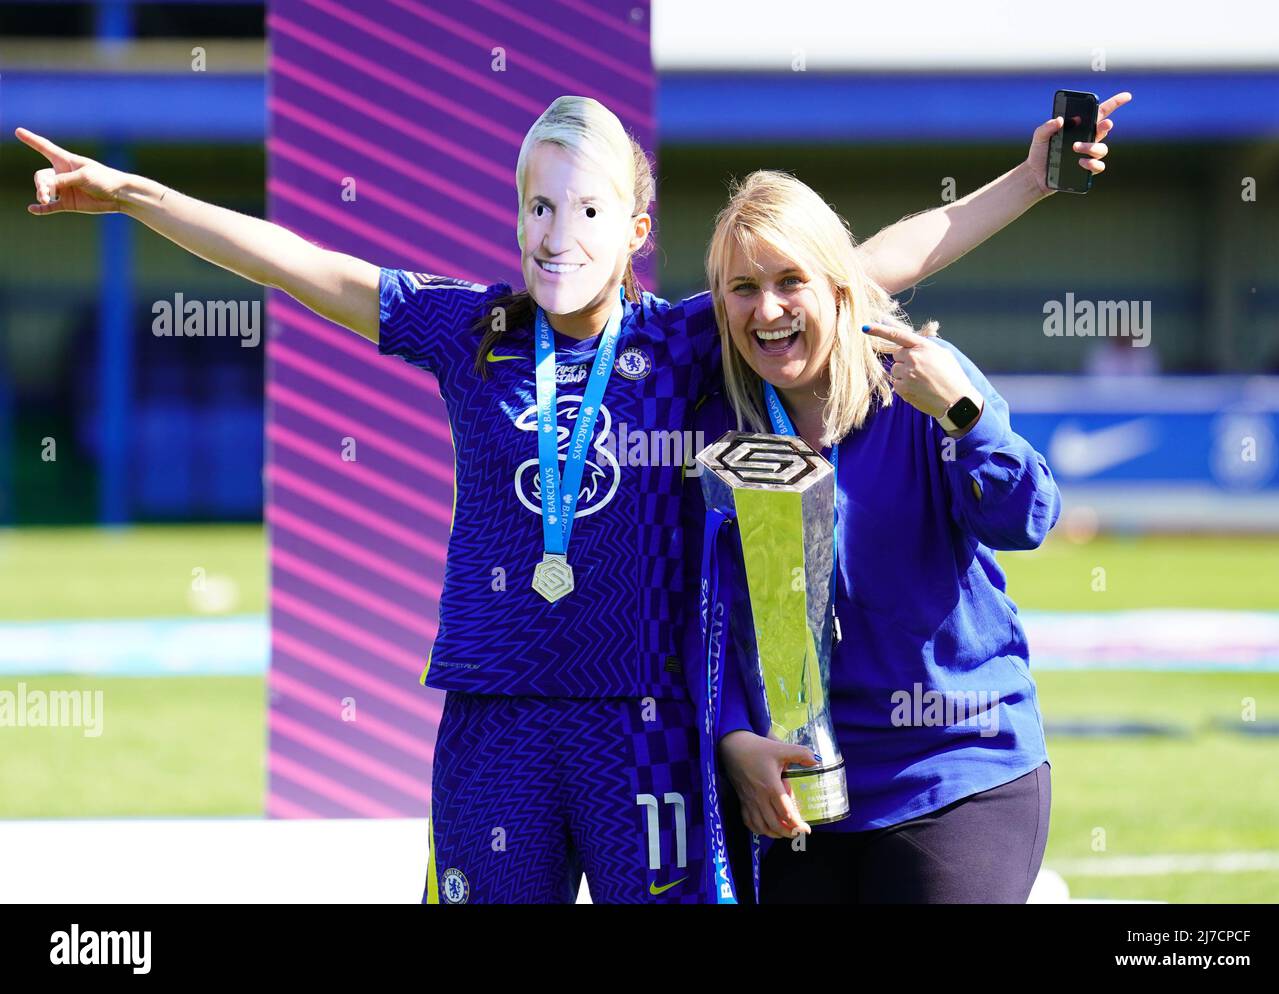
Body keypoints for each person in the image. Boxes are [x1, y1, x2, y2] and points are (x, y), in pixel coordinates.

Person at [15, 88, 1120, 903]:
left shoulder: (686, 337)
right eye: (537, 210)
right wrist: (130, 196)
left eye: (587, 212)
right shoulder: (473, 331)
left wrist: (1029, 180)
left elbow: (862, 266)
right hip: (494, 718)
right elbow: (299, 263)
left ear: (635, 230)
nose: (557, 237)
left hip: (649, 725)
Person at [689, 169, 1060, 903]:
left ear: (841, 287)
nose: (768, 310)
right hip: (798, 788)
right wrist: (735, 740)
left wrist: (965, 412)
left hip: (955, 768)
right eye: (742, 288)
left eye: (791, 281)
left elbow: (1026, 519)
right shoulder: (713, 424)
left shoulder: (920, 387)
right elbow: (711, 615)